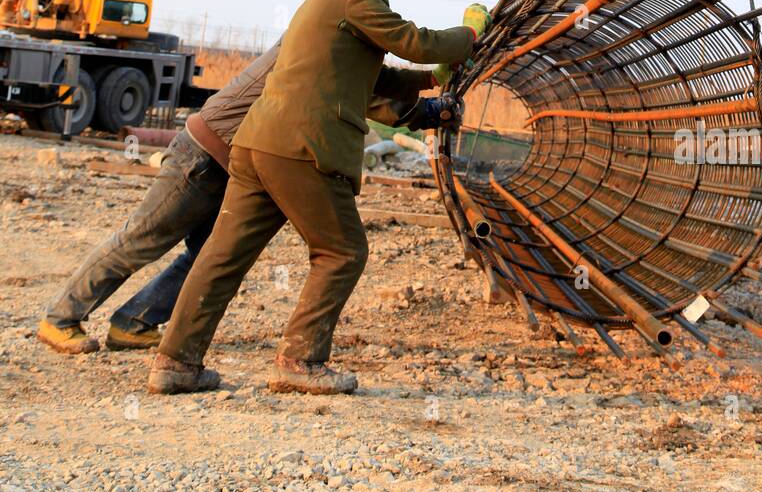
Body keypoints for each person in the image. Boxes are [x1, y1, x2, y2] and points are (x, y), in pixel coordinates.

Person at [148, 0, 490, 397]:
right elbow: (417, 42)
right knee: (342, 251)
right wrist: (470, 35)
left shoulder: (325, 1)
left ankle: (175, 362)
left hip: (257, 144)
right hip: (301, 151)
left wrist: (431, 80)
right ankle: (300, 360)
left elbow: (374, 80)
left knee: (223, 256)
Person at [36, 31, 457, 356]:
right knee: (142, 238)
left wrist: (430, 94)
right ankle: (61, 317)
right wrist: (435, 86)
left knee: (206, 257)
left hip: (236, 165)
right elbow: (373, 94)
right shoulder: (313, 51)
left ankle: (134, 322)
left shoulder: (333, 51)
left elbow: (371, 90)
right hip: (204, 153)